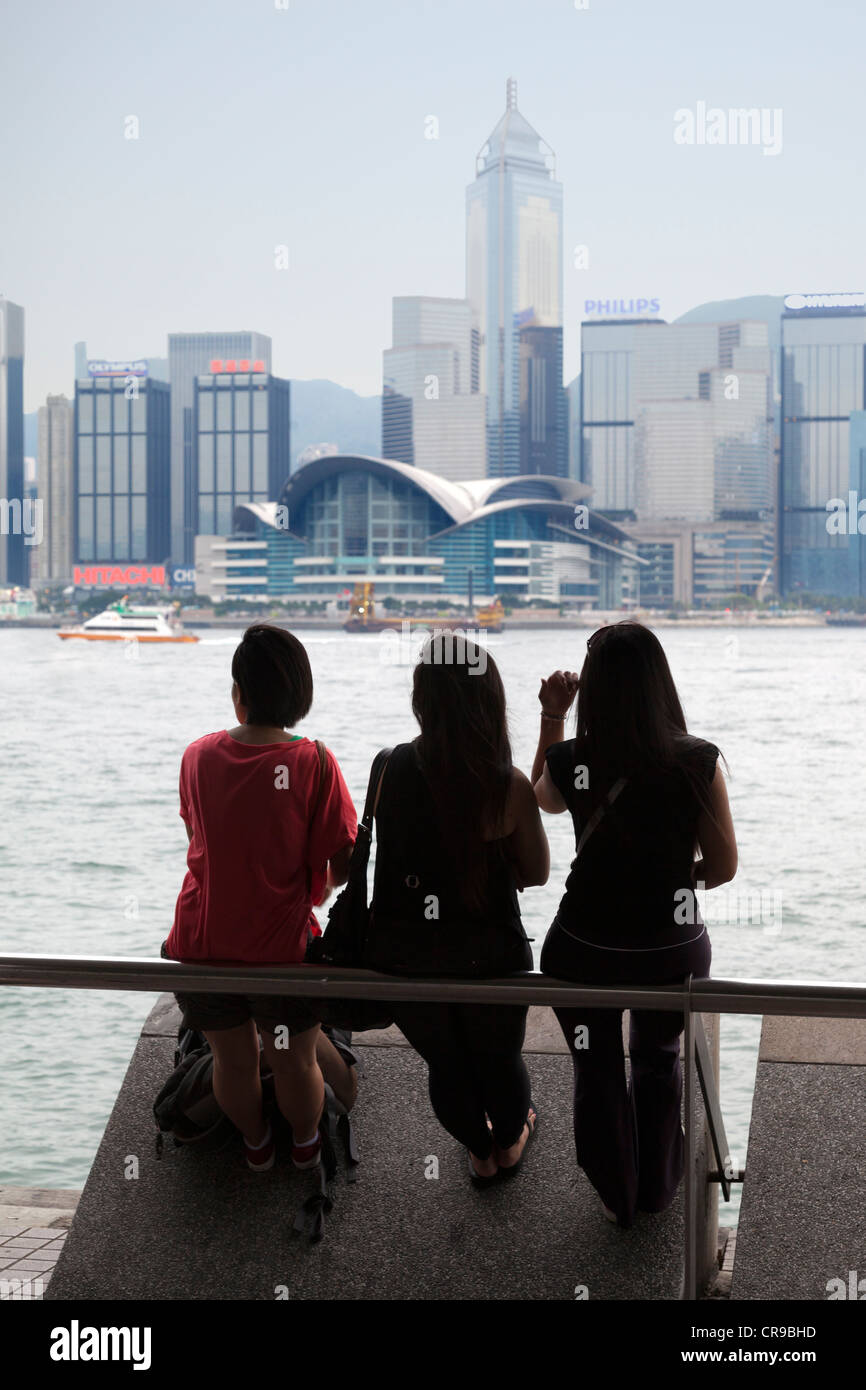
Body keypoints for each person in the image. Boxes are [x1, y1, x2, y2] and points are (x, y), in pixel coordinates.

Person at [531, 622, 737, 1227]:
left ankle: (615, 1194)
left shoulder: (572, 760)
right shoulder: (698, 761)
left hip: (583, 946)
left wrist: (552, 717)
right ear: (659, 683)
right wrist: (669, 876)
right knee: (659, 1057)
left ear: (592, 690)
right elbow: (722, 869)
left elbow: (542, 800)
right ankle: (656, 1191)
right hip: (669, 950)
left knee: (595, 1066)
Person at [163, 625, 357, 1172]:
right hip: (282, 953)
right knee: (295, 1063)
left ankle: (254, 1145)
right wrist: (312, 885)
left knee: (231, 1062)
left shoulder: (197, 756)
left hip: (203, 944)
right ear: (299, 693)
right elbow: (341, 867)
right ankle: (303, 1147)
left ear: (238, 692)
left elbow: (200, 844)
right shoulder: (315, 762)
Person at [368, 633, 550, 1185]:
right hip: (490, 959)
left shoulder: (388, 768)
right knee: (499, 1060)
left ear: (422, 701)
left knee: (445, 1064)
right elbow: (537, 873)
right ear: (489, 702)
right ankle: (510, 1141)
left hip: (406, 959)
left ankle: (478, 1149)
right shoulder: (506, 787)